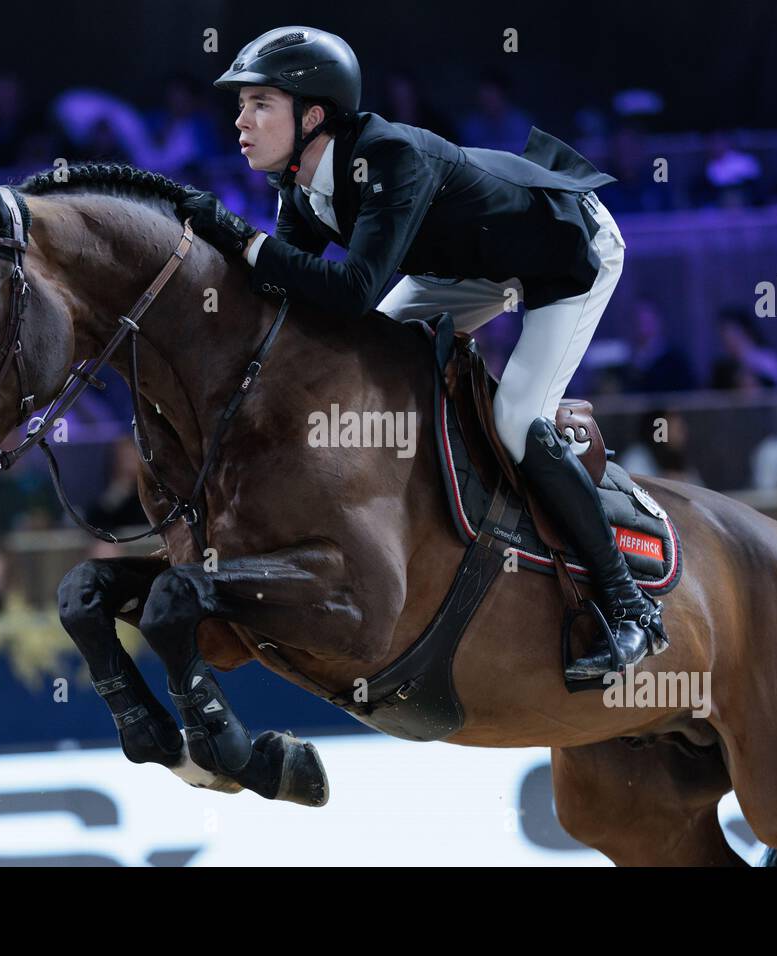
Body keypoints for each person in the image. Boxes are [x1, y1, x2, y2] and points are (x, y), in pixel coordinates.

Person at [178, 25, 666, 678]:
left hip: (565, 254)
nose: (240, 122)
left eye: (259, 104)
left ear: (313, 114)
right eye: (241, 106)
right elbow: (286, 290)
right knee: (364, 361)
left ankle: (631, 609)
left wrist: (241, 237)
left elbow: (349, 289)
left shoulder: (385, 158)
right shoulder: (300, 184)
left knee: (518, 418)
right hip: (464, 267)